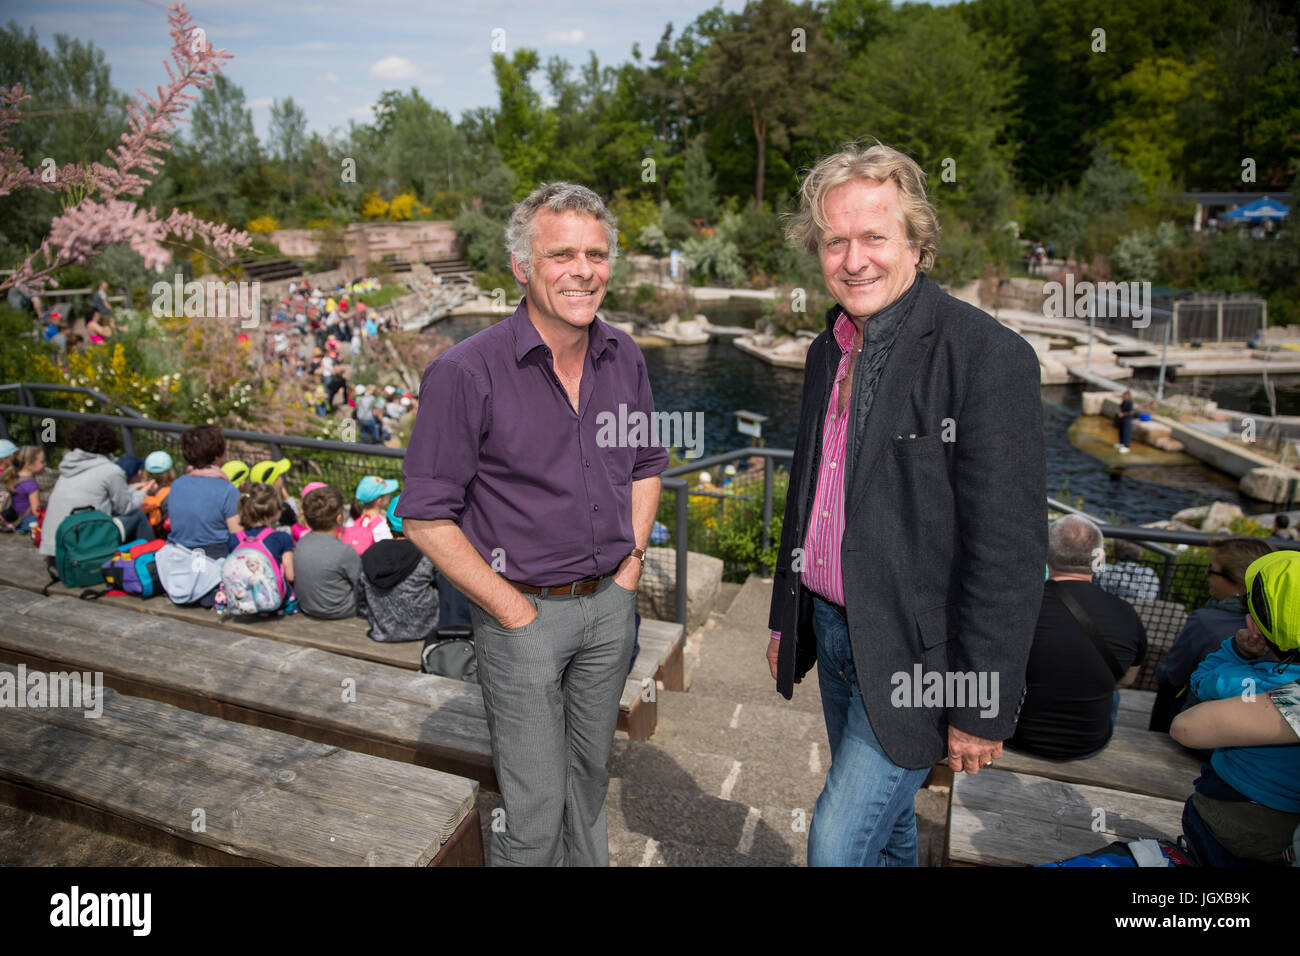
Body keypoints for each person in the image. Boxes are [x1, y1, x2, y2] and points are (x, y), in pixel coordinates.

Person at [766, 142, 1047, 866]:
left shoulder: (987, 357)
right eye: (836, 240)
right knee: (887, 829)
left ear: (917, 246)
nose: (853, 259)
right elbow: (808, 493)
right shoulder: (828, 347)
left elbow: (1008, 553)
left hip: (920, 658)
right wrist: (784, 615)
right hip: (831, 632)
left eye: (873, 237)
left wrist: (980, 706)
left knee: (833, 844)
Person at [396, 181, 665, 866]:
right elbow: (425, 517)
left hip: (610, 608)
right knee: (537, 808)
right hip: (522, 620)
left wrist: (630, 568)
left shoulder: (624, 356)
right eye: (562, 254)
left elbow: (644, 467)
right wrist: (512, 611)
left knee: (589, 781)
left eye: (597, 254)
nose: (584, 270)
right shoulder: (464, 372)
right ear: (522, 267)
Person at [1180, 551, 1300, 866]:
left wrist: (1235, 651)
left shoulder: (1243, 683)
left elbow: (1201, 681)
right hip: (1288, 828)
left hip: (1229, 812)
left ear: (1255, 626)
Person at [1007, 515, 1146, 760]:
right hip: (1089, 743)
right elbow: (1125, 679)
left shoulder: (1021, 608)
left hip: (1018, 737)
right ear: (1099, 558)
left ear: (1046, 556)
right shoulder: (1126, 613)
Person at [1150, 536, 1273, 733]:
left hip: (1201, 730)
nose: (1207, 573)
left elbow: (1175, 675)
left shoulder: (1205, 622)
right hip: (1263, 727)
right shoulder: (1283, 629)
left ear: (1240, 586)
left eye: (1212, 569)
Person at [38, 422, 156, 565]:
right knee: (137, 515)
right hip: (80, 549)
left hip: (55, 549)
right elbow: (125, 507)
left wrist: (132, 488)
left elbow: (95, 495)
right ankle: (151, 561)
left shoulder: (68, 469)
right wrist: (143, 493)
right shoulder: (110, 470)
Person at [358, 495, 442, 643]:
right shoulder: (427, 555)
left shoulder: (371, 554)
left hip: (381, 630)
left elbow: (360, 595)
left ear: (388, 523)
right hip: (425, 629)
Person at [167, 425, 242, 568]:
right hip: (212, 561)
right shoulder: (227, 490)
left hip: (179, 559)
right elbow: (237, 535)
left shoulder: (177, 485)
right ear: (218, 454)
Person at [224, 482, 295, 611]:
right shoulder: (281, 538)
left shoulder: (235, 539)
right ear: (273, 512)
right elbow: (290, 576)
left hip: (242, 601)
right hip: (274, 603)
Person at [294, 485, 362, 620]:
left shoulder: (300, 543)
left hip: (307, 606)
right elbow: (360, 583)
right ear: (339, 519)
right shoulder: (344, 551)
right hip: (340, 610)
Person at [1095, 537, 1160, 601]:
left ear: (1113, 553)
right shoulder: (1150, 573)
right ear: (1140, 554)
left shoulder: (1103, 571)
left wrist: (1101, 551)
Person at [344, 476, 396, 551]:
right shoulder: (383, 525)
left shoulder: (352, 519)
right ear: (379, 500)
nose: (389, 495)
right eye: (387, 493)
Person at [248, 458, 298, 529]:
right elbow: (296, 518)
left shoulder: (253, 507)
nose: (281, 478)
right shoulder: (283, 508)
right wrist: (285, 494)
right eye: (279, 476)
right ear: (275, 481)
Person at [8, 445, 45, 534]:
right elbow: (37, 512)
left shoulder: (13, 479)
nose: (44, 464)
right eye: (42, 461)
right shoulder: (31, 485)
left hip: (16, 521)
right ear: (29, 465)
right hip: (28, 523)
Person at [141, 450, 175, 537]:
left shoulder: (140, 493)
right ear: (170, 472)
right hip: (166, 540)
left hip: (146, 542)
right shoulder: (173, 493)